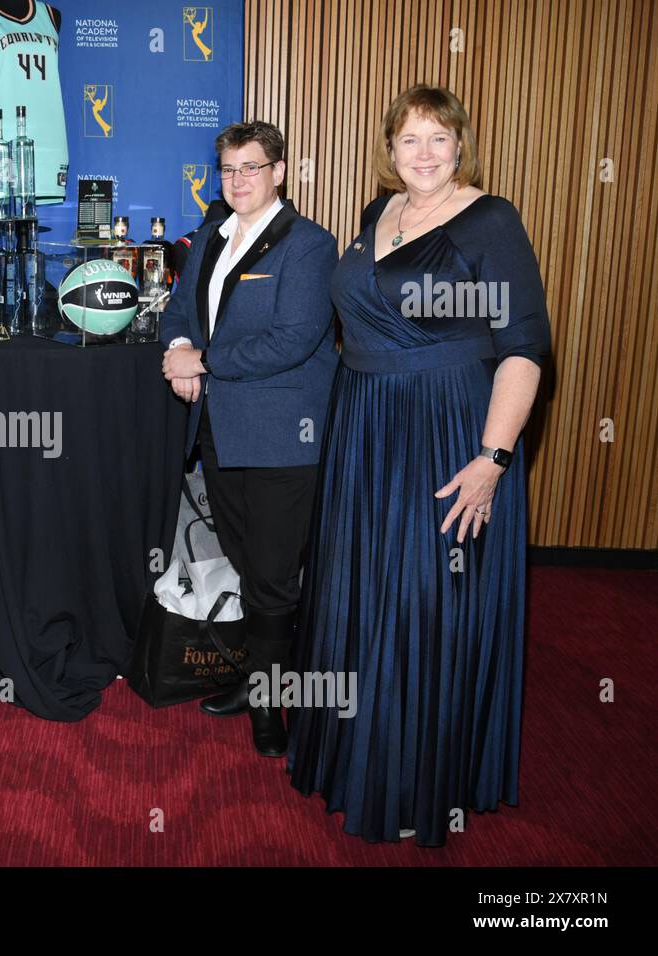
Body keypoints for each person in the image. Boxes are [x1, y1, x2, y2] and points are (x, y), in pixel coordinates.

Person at [286, 85, 551, 845]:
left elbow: (524, 348)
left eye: (439, 138)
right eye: (409, 140)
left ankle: (416, 780)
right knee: (360, 590)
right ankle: (352, 756)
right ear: (390, 150)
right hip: (365, 429)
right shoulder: (381, 215)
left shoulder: (490, 221)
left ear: (460, 145)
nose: (424, 153)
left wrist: (492, 459)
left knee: (426, 599)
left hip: (447, 432)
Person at [160, 121, 338, 756]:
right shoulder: (212, 235)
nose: (237, 181)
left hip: (282, 438)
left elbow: (295, 338)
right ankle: (259, 679)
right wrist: (180, 345)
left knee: (271, 578)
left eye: (252, 168)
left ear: (280, 171)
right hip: (219, 434)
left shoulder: (310, 245)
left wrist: (200, 362)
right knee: (244, 559)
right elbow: (180, 311)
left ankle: (269, 701)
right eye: (228, 169)